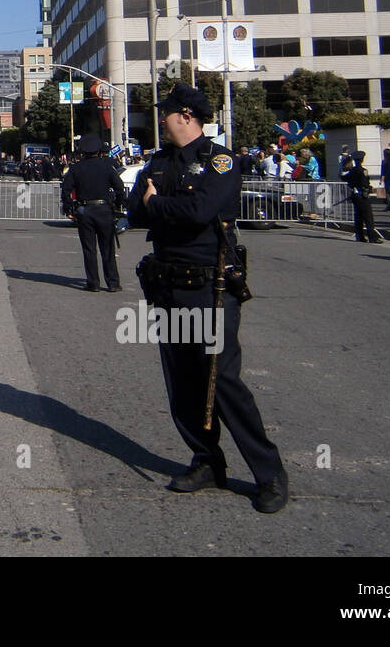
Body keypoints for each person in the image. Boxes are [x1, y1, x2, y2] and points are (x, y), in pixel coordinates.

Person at [127, 83, 289, 514]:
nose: (160, 119)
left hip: (209, 287)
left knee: (223, 382)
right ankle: (206, 460)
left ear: (185, 115)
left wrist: (161, 205)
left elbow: (202, 212)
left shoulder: (219, 160)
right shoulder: (158, 163)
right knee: (182, 382)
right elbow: (135, 212)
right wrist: (162, 205)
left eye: (166, 113)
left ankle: (269, 473)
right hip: (168, 284)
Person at [61, 135, 127, 292]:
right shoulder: (106, 167)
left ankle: (93, 283)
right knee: (108, 248)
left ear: (82, 151)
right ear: (99, 150)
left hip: (85, 210)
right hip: (104, 209)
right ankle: (113, 283)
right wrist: (117, 204)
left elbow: (66, 190)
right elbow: (119, 187)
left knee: (89, 248)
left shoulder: (76, 168)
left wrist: (69, 208)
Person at [341, 152, 383, 244]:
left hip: (355, 195)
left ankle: (360, 236)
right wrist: (370, 189)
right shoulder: (363, 171)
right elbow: (365, 184)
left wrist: (342, 166)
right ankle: (372, 237)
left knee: (358, 216)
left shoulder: (352, 171)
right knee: (368, 217)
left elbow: (344, 178)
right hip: (362, 195)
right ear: (362, 160)